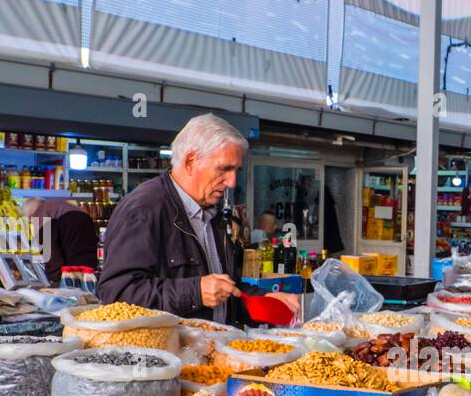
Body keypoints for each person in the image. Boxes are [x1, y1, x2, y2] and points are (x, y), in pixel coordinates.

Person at [97, 114, 299, 324]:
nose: (232, 182)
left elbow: (224, 288)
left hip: (208, 350)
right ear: (191, 162)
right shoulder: (144, 209)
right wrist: (195, 292)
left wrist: (263, 298)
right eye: (224, 169)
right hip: (169, 354)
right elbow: (116, 294)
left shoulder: (211, 214)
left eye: (236, 170)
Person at [21, 197, 99, 285]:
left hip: (69, 277)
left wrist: (56, 280)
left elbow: (49, 251)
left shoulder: (41, 212)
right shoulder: (62, 206)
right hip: (89, 269)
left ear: (31, 214)